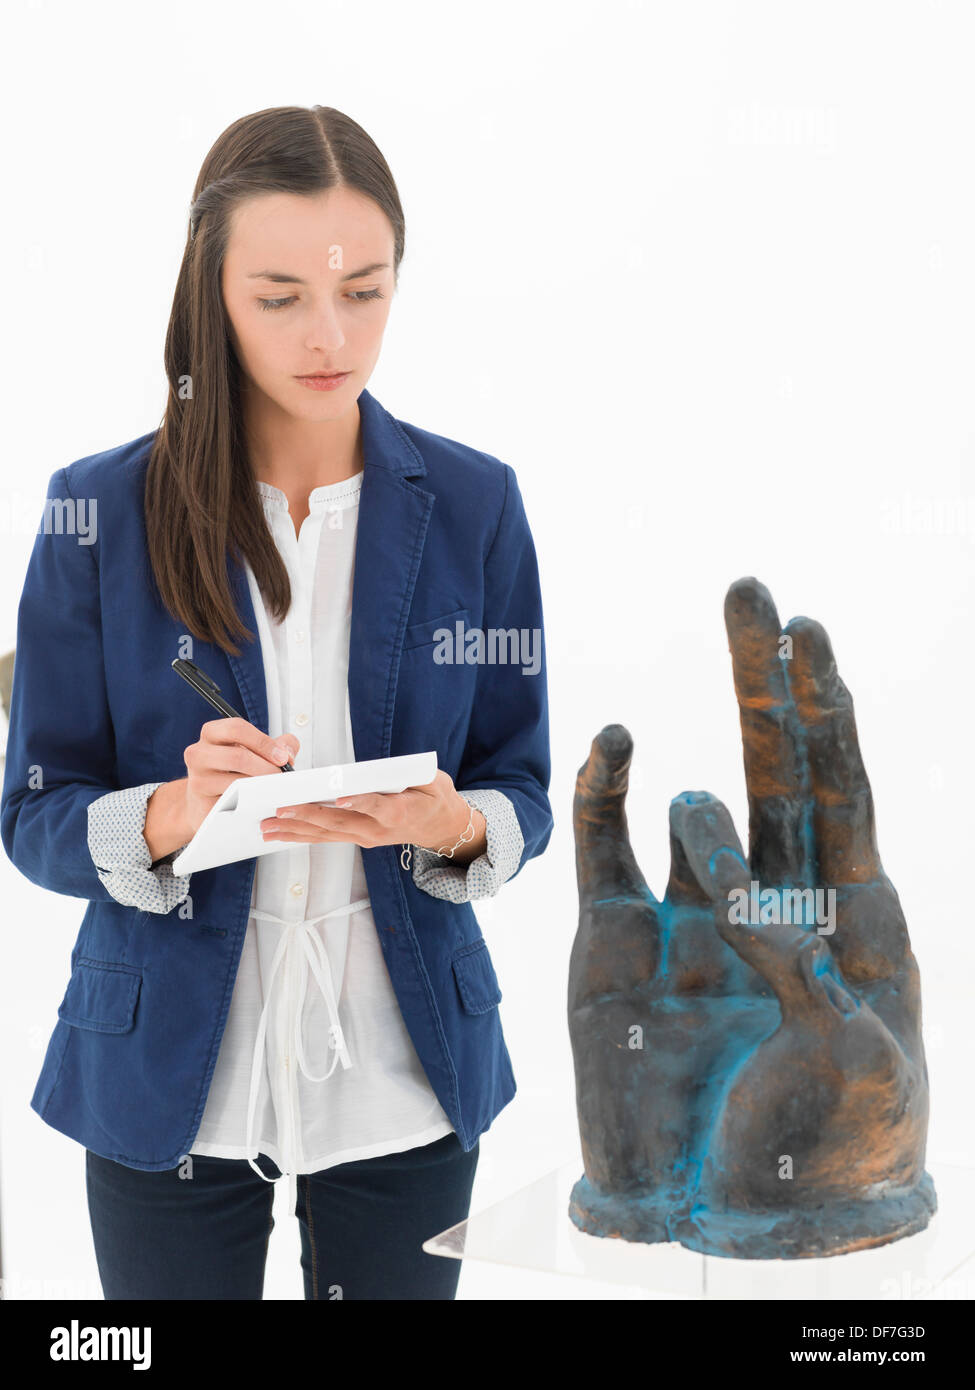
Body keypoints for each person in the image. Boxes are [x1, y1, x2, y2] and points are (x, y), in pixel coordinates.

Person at [0, 104, 552, 1301]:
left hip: (410, 1069)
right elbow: (34, 812)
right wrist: (167, 814)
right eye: (281, 293)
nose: (330, 335)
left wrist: (452, 827)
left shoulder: (476, 504)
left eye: (365, 291)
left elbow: (521, 785)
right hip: (163, 1075)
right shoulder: (96, 513)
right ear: (212, 287)